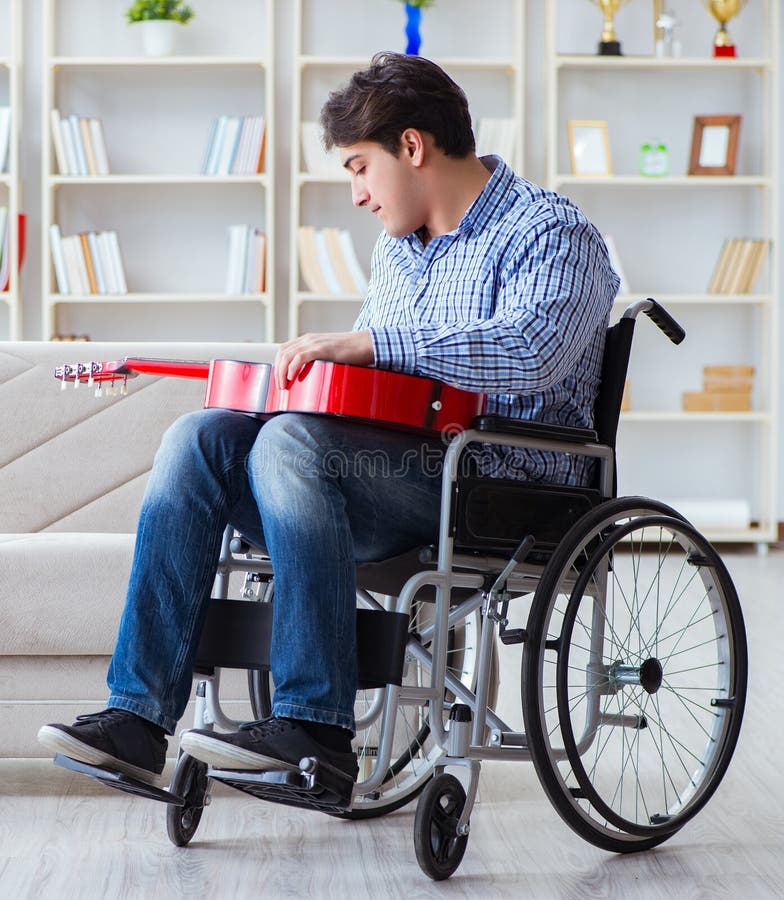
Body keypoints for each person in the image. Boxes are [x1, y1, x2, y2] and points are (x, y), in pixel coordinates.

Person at [38, 51, 618, 786]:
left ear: (412, 147)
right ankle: (138, 717)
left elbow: (532, 353)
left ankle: (314, 727)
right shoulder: (398, 254)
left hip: (496, 485)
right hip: (381, 473)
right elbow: (371, 395)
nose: (356, 195)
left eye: (357, 168)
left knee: (292, 446)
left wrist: (373, 344)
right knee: (200, 436)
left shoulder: (552, 233)